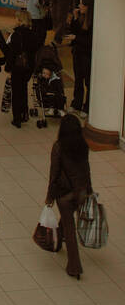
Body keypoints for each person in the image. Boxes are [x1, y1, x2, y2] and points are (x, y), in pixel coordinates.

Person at [45, 113, 93, 280]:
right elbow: (86, 169)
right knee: (66, 219)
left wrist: (49, 196)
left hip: (65, 194)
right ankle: (58, 243)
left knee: (70, 229)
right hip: (81, 192)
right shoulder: (83, 145)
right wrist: (89, 190)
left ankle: (74, 266)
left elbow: (54, 174)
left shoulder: (58, 147)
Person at [4, 8, 36, 128]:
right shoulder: (32, 34)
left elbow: (12, 53)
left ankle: (17, 118)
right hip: (28, 67)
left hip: (17, 67)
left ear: (20, 20)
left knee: (16, 92)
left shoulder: (16, 34)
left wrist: (8, 68)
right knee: (23, 90)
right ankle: (24, 114)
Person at [63, 3, 92, 115]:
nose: (79, 6)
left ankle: (87, 107)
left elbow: (89, 41)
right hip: (78, 53)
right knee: (78, 80)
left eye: (83, 5)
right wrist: (75, 18)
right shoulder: (80, 18)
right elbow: (74, 32)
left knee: (88, 82)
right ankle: (76, 104)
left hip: (87, 55)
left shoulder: (92, 21)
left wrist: (76, 38)